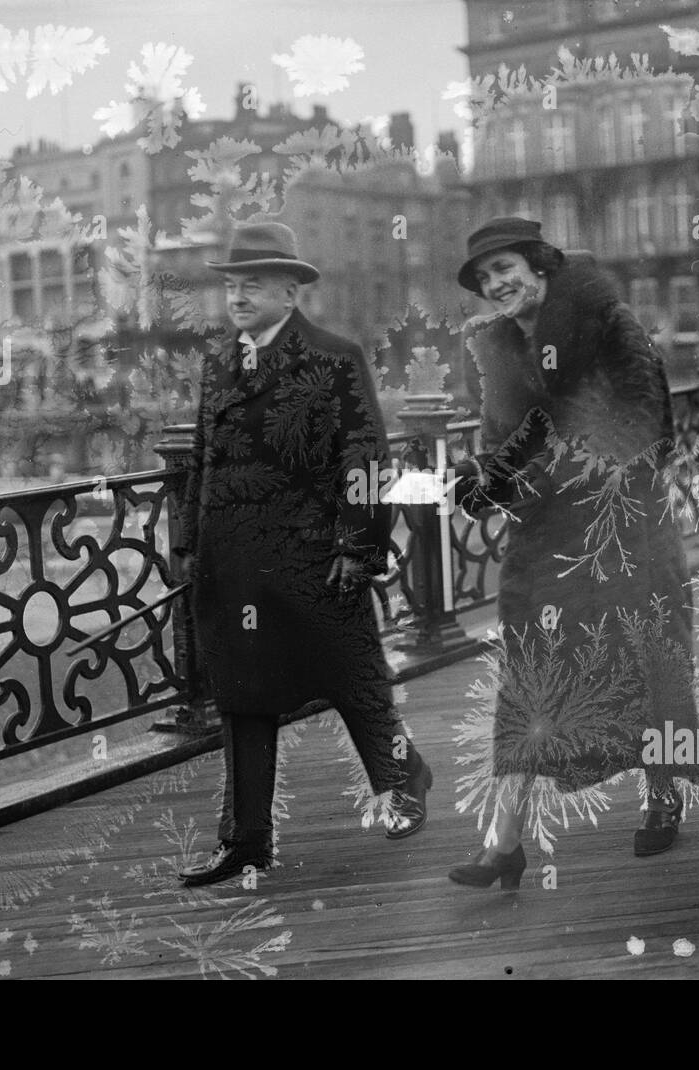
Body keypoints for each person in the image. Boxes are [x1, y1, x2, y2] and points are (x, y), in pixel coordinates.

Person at [445, 217, 699, 891]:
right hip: (544, 539)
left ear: (539, 265)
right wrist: (483, 478)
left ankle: (663, 792)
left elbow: (645, 421)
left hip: (622, 529)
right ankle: (503, 842)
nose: (496, 284)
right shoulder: (499, 351)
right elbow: (501, 437)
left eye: (505, 268)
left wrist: (562, 473)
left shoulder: (609, 321)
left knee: (649, 662)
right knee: (530, 678)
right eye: (484, 278)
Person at [175, 222, 433, 887]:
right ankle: (246, 841)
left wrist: (357, 545)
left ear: (290, 291)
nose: (237, 296)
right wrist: (187, 548)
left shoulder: (334, 358)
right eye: (231, 284)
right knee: (243, 698)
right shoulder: (218, 363)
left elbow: (365, 457)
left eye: (251, 283)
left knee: (354, 680)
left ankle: (403, 780)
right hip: (232, 565)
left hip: (314, 559)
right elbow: (202, 461)